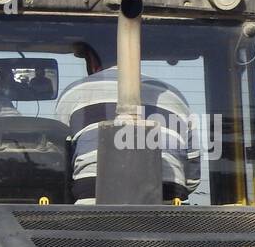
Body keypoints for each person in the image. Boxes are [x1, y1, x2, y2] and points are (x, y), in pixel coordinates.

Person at [55, 68, 199, 203]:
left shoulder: (74, 92)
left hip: (91, 201)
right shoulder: (175, 96)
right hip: (169, 205)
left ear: (91, 60)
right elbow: (192, 178)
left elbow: (60, 159)